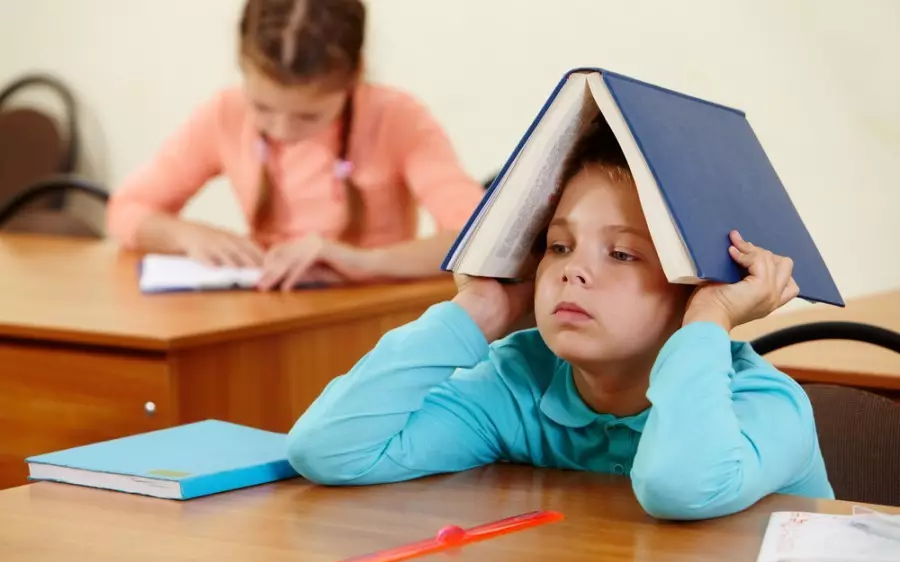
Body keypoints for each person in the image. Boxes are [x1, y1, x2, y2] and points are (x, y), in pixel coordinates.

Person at [284, 114, 834, 521]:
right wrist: (477, 311)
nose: (573, 273)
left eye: (621, 254)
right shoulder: (518, 384)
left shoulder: (765, 404)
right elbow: (329, 449)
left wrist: (709, 319)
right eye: (558, 246)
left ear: (696, 284)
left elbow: (681, 488)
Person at [106, 0, 485, 291]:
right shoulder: (226, 113)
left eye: (309, 117)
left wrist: (359, 262)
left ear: (354, 76)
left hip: (370, 325)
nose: (282, 129)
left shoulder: (396, 117)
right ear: (242, 66)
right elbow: (125, 210)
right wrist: (188, 235)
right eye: (263, 108)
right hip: (269, 318)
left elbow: (475, 236)